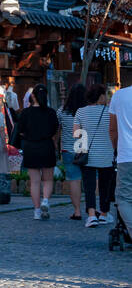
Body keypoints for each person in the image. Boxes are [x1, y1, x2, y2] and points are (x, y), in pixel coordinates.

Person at [14, 84, 59, 220]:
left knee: (34, 181)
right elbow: (55, 130)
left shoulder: (25, 113)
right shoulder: (51, 112)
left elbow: (20, 131)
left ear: (32, 96)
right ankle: (45, 200)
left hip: (31, 147)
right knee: (48, 179)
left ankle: (37, 210)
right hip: (46, 146)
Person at [74, 85, 115, 227]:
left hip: (87, 155)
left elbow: (76, 134)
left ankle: (91, 215)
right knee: (105, 186)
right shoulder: (110, 111)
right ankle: (104, 214)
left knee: (89, 186)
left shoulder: (81, 112)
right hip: (107, 154)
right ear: (101, 96)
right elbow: (114, 130)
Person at [58, 82, 86, 220]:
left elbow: (57, 130)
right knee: (92, 180)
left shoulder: (62, 111)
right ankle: (94, 209)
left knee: (74, 180)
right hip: (86, 150)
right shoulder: (88, 111)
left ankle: (77, 211)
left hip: (68, 150)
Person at [107, 85, 132, 231]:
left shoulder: (119, 96)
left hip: (127, 154)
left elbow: (112, 129)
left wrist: (116, 148)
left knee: (124, 199)